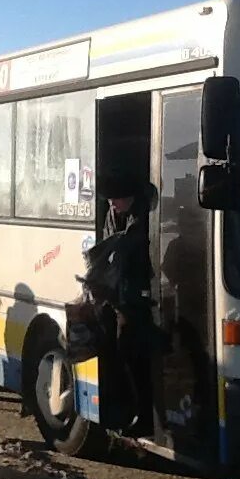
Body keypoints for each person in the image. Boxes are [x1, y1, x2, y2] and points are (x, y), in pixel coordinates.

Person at [94, 169, 157, 434]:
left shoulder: (146, 214)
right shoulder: (115, 214)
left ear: (129, 197)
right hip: (120, 297)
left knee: (136, 357)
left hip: (140, 297)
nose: (111, 205)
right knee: (122, 353)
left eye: (115, 199)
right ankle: (133, 410)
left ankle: (145, 415)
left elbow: (132, 249)